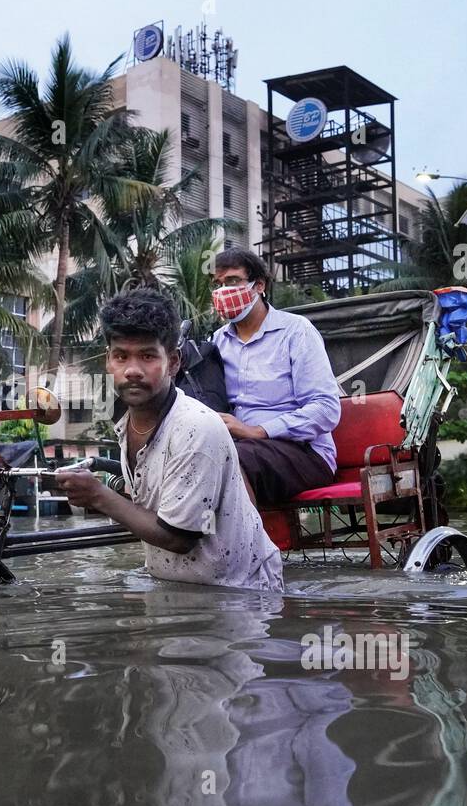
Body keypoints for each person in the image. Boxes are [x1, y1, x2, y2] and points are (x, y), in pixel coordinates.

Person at [55, 286, 284, 591]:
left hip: (240, 595)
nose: (132, 370)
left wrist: (98, 495)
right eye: (121, 356)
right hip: (180, 590)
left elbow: (179, 538)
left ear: (173, 362)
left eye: (148, 356)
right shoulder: (126, 422)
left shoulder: (196, 427)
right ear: (107, 361)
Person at [208, 249, 341, 506]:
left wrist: (258, 431)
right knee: (202, 457)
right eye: (219, 284)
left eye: (233, 281)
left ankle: (249, 544)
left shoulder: (296, 331)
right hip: (238, 447)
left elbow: (326, 409)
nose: (224, 291)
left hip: (304, 452)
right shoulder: (216, 342)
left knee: (230, 459)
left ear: (259, 285)